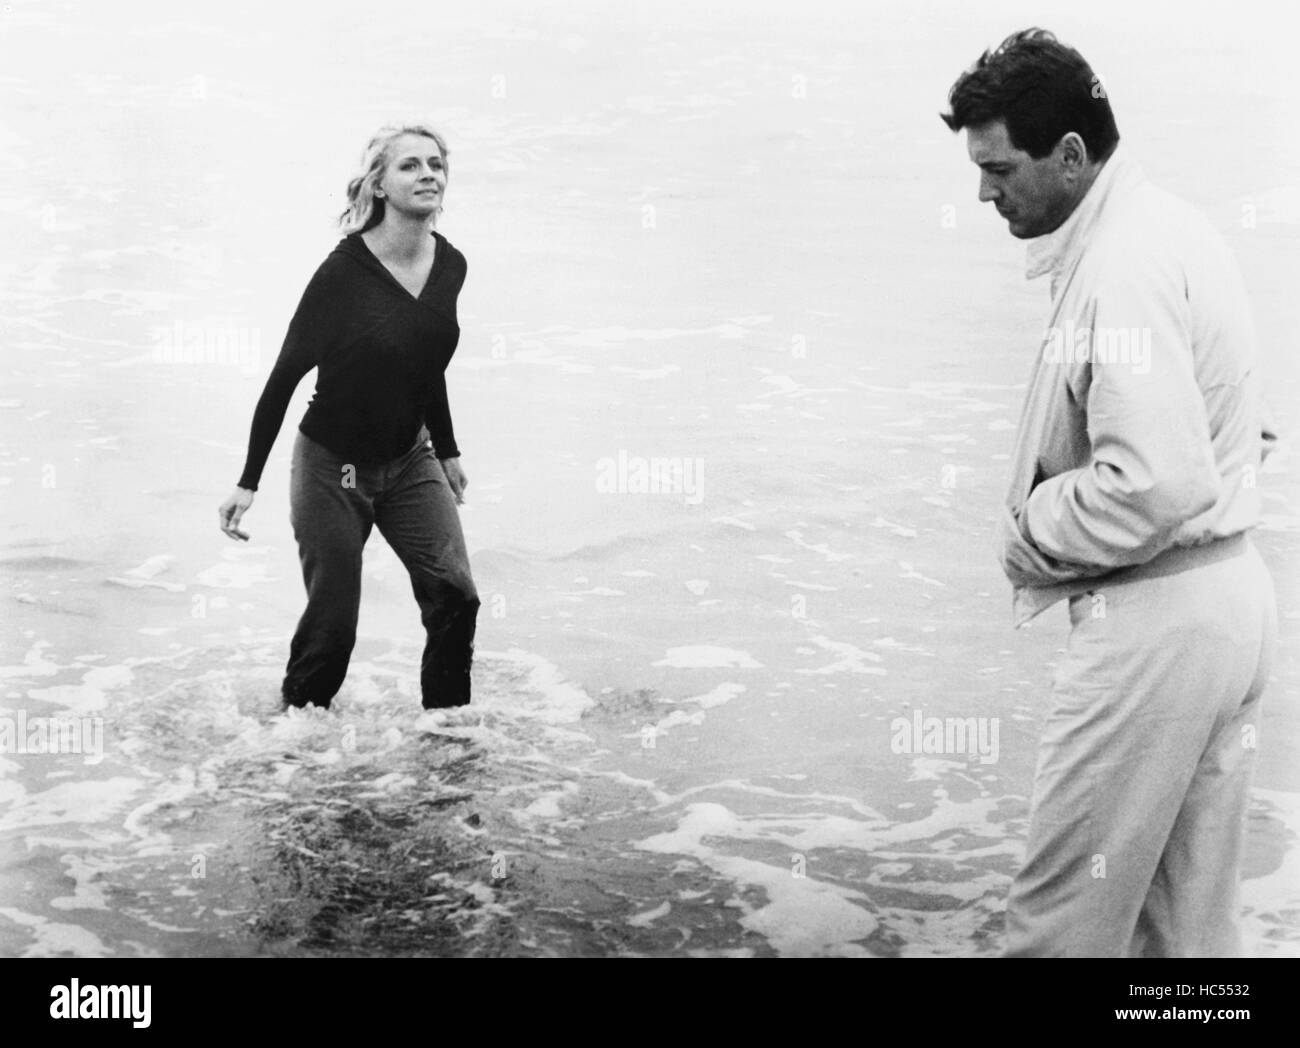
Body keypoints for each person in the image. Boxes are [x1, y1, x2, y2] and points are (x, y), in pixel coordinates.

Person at [941, 29, 1277, 956]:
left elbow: (1157, 484)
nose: (983, 192)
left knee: (1059, 932)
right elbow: (1245, 431)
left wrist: (1027, 528)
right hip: (1230, 602)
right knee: (1190, 943)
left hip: (1156, 628)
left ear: (1072, 155)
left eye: (999, 166)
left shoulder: (1122, 261)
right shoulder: (1173, 227)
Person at [218, 123, 479, 712]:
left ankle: (447, 740)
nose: (428, 174)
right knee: (334, 624)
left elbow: (425, 358)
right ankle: (295, 741)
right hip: (334, 466)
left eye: (436, 164)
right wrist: (247, 481)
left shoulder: (451, 265)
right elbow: (284, 377)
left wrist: (449, 447)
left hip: (412, 459)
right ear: (380, 185)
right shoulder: (342, 275)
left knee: (455, 598)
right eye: (410, 165)